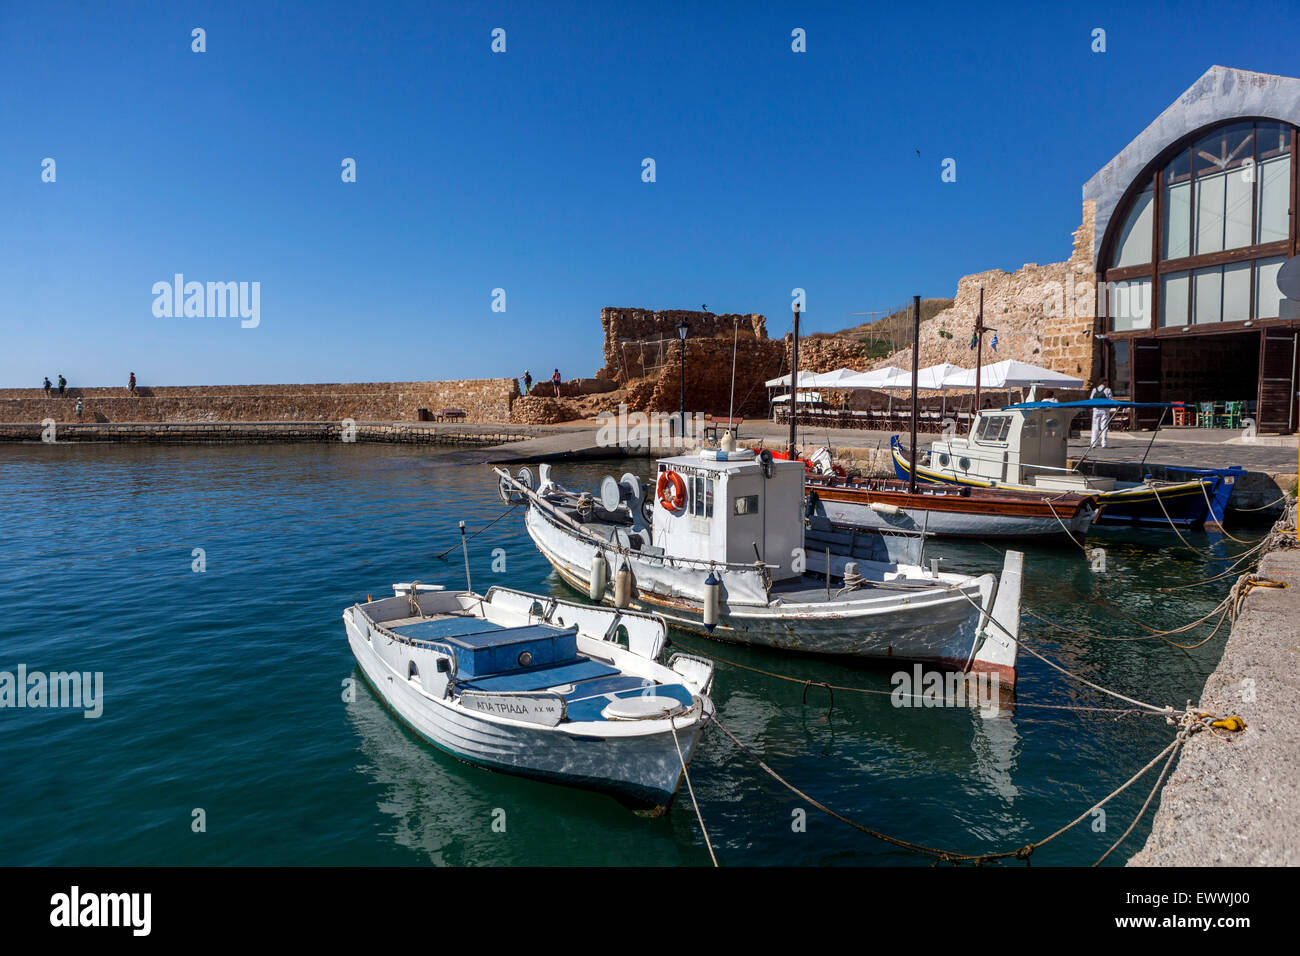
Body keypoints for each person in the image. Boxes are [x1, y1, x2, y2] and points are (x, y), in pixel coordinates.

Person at [1089, 379, 1114, 449]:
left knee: (1095, 427)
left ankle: (1093, 443)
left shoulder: (1094, 390)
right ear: (1105, 383)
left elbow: (1091, 399)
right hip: (1104, 410)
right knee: (1104, 427)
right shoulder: (1108, 390)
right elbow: (1110, 400)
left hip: (1096, 410)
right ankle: (1104, 443)